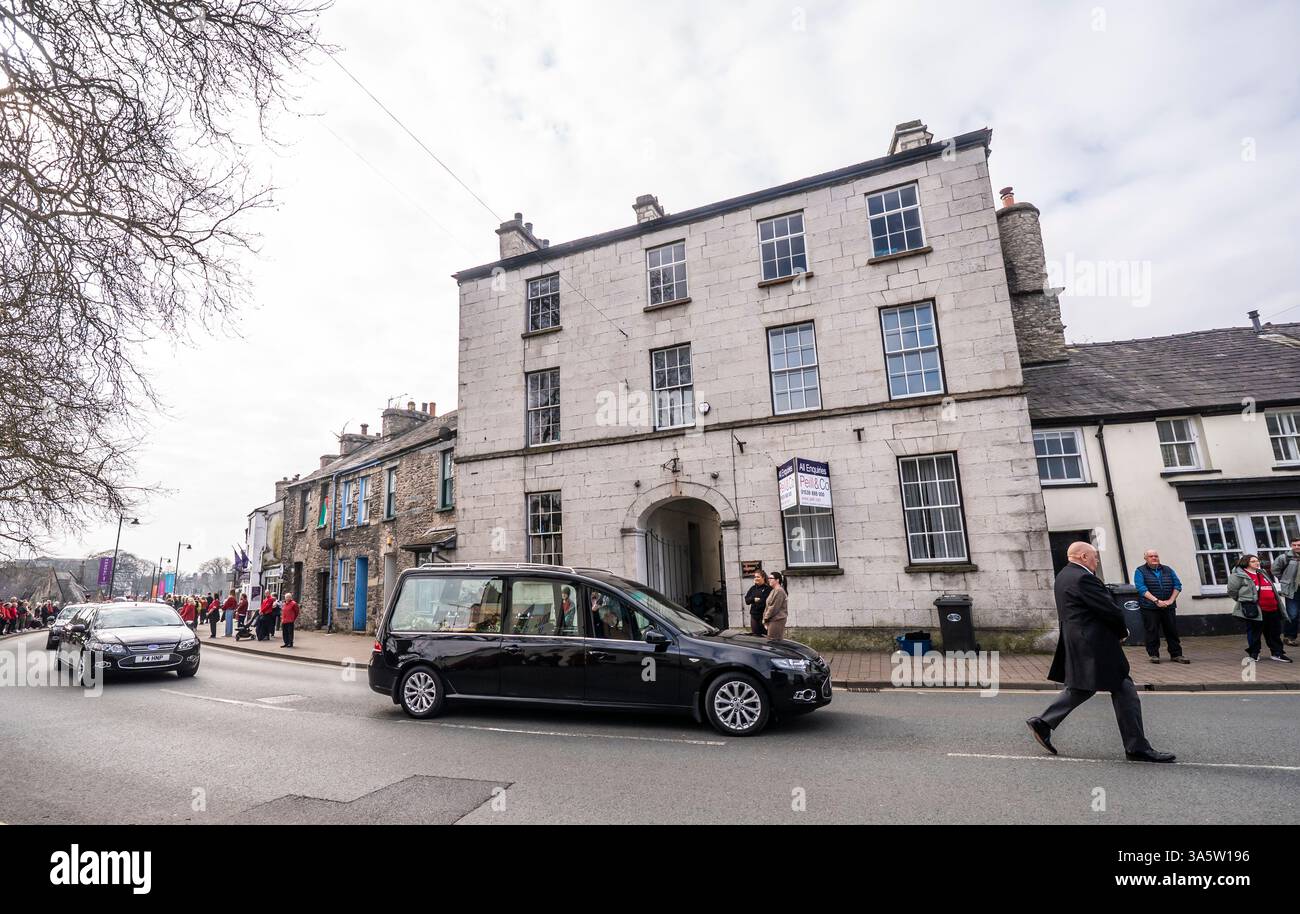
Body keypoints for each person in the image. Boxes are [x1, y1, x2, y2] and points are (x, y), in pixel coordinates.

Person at [1027, 541, 1175, 763]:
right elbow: (1108, 609)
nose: (1097, 560)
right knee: (1123, 687)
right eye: (1094, 556)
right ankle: (1137, 748)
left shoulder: (1063, 576)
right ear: (1084, 557)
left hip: (1077, 640)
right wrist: (1122, 630)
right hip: (1095, 643)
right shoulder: (1084, 578)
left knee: (1083, 687)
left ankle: (1044, 722)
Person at [1228, 554, 1292, 663]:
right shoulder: (1239, 575)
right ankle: (1254, 653)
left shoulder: (1262, 573)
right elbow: (1232, 591)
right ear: (1246, 563)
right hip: (1255, 610)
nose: (1257, 563)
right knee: (1254, 633)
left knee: (1274, 633)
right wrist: (1245, 601)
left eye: (1257, 561)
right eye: (1253, 561)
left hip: (1272, 608)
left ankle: (1277, 653)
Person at [1132, 549, 1187, 664]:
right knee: (1152, 631)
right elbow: (1141, 588)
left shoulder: (1168, 569)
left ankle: (1176, 654)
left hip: (1168, 606)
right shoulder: (1140, 571)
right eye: (1151, 556)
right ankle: (1153, 655)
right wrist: (1156, 601)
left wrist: (1171, 600)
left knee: (1172, 631)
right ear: (1145, 559)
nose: (1154, 558)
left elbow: (1177, 585)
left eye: (1156, 556)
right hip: (1149, 607)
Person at [1273, 538, 1300, 647]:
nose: (1297, 547)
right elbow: (1275, 570)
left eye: (1299, 545)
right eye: (1294, 545)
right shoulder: (1284, 557)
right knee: (1293, 614)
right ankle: (1289, 637)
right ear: (1291, 545)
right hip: (1292, 590)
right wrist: (1284, 580)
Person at [744, 569, 772, 637]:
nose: (756, 578)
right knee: (756, 636)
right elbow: (747, 601)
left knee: (766, 636)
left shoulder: (768, 589)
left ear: (763, 578)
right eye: (755, 577)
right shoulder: (753, 588)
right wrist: (754, 599)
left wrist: (756, 600)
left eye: (758, 577)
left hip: (764, 616)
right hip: (754, 615)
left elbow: (764, 602)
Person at [763, 571, 788, 641]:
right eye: (768, 578)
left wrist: (765, 618)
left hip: (777, 620)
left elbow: (773, 607)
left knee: (773, 642)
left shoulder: (779, 591)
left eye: (771, 578)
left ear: (777, 580)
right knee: (772, 641)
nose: (769, 580)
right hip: (773, 619)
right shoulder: (774, 590)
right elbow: (768, 606)